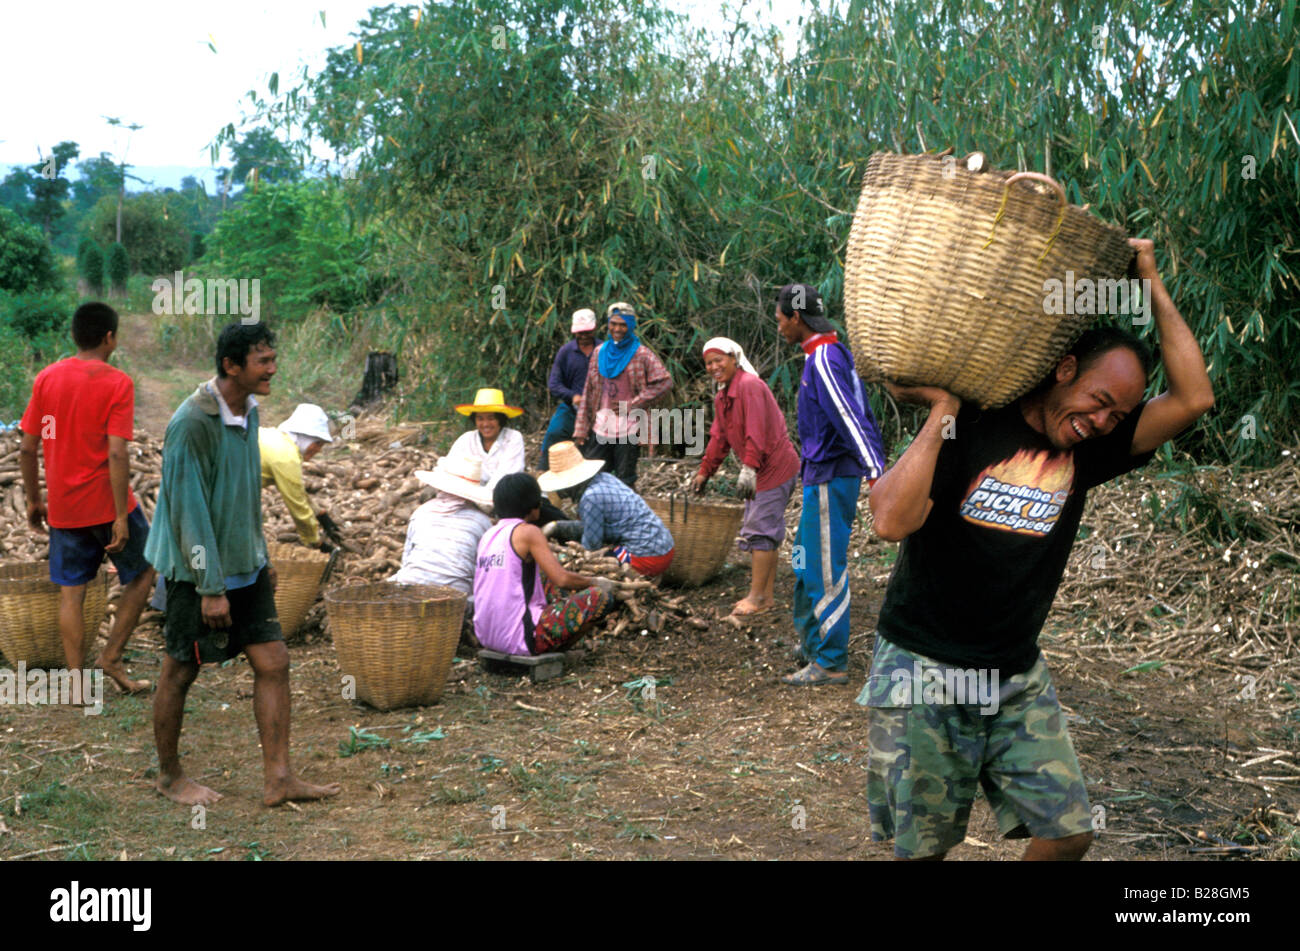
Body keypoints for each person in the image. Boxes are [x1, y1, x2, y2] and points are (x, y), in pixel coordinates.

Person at [863, 238, 1214, 861]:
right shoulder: (974, 424)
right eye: (1099, 401)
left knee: (1068, 832)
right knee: (924, 849)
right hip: (924, 669)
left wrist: (1153, 281)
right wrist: (943, 408)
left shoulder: (1089, 449)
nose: (1102, 421)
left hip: (1014, 671)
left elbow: (1193, 399)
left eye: (1118, 414)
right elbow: (891, 520)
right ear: (1064, 370)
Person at [145, 322, 340, 808]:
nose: (274, 369)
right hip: (196, 573)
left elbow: (245, 494)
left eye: (273, 359)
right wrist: (211, 586)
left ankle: (279, 778)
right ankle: (169, 776)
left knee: (274, 661)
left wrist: (261, 555)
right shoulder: (191, 424)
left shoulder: (250, 413)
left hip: (245, 566)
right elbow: (188, 512)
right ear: (232, 366)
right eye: (264, 362)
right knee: (180, 670)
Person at [18, 302, 154, 694]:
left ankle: (77, 687)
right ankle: (110, 657)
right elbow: (116, 452)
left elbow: (29, 447)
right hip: (107, 504)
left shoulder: (47, 380)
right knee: (144, 572)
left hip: (64, 508)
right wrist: (120, 516)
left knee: (71, 594)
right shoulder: (117, 383)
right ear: (110, 337)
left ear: (75, 336)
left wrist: (34, 500)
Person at [775, 283, 887, 686]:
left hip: (831, 477)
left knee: (824, 567)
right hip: (818, 476)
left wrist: (876, 472)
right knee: (804, 559)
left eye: (781, 320)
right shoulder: (825, 355)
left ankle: (831, 660)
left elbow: (849, 416)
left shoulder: (823, 359)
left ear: (797, 318)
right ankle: (812, 641)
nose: (780, 328)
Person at [693, 337, 801, 616]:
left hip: (773, 466)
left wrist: (749, 467)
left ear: (734, 359)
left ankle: (757, 598)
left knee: (760, 530)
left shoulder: (749, 386)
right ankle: (765, 595)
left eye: (719, 360)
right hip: (760, 468)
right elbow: (719, 437)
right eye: (709, 363)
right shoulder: (723, 395)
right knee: (764, 530)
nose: (714, 367)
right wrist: (705, 471)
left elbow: (757, 431)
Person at [473, 472, 616, 655]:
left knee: (539, 573)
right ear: (533, 505)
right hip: (521, 640)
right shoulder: (528, 532)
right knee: (600, 597)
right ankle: (555, 651)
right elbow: (562, 579)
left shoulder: (488, 535)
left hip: (487, 637)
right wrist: (595, 581)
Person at [571, 302, 672, 488]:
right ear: (608, 324)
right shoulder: (599, 352)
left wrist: (634, 404)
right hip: (601, 426)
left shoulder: (641, 354)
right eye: (613, 324)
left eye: (623, 325)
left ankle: (626, 516)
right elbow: (589, 390)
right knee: (593, 477)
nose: (617, 329)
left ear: (631, 326)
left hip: (629, 429)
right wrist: (581, 428)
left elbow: (665, 382)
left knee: (625, 480)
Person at [538, 442, 675, 577]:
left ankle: (638, 574)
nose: (560, 492)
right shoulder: (605, 478)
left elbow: (591, 547)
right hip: (665, 547)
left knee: (590, 565)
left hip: (647, 558)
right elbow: (592, 528)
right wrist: (556, 527)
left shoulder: (590, 498)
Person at [389, 452, 494, 600]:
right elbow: (485, 571)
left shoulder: (422, 512)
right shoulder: (482, 521)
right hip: (455, 599)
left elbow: (406, 560)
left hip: (410, 590)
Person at [259, 403, 334, 550]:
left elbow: (297, 491)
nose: (318, 450)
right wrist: (314, 541)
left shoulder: (274, 437)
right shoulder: (286, 457)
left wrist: (319, 512)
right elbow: (297, 504)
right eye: (317, 443)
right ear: (305, 437)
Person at [540, 308, 599, 467]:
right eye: (580, 332)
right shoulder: (566, 352)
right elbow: (554, 384)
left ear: (594, 329)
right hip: (572, 407)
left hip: (599, 410)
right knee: (555, 432)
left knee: (598, 445)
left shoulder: (604, 350)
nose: (583, 336)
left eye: (587, 332)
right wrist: (573, 396)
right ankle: (544, 470)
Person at [449, 388, 527, 492]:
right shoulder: (466, 439)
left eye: (491, 418)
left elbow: (507, 475)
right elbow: (450, 465)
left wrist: (484, 495)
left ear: (500, 419)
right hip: (470, 494)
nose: (485, 424)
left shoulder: (513, 438)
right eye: (480, 418)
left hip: (505, 495)